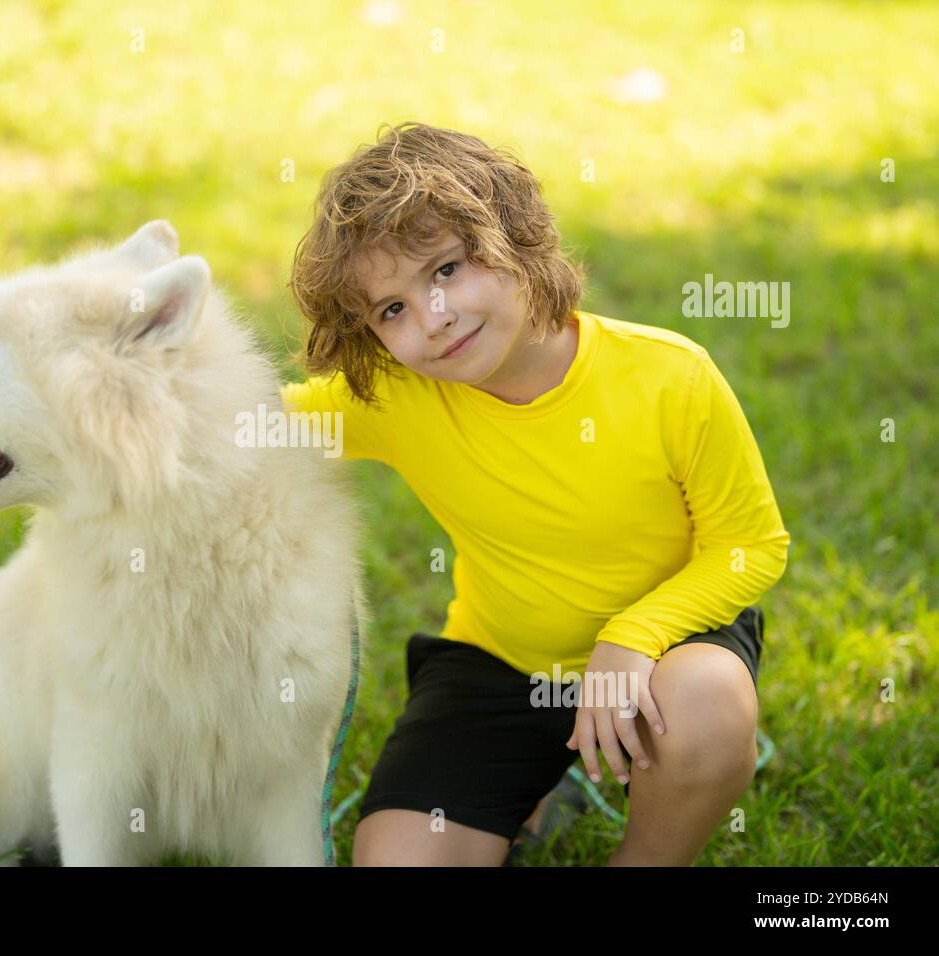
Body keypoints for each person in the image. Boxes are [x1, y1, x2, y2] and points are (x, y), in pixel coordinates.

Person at [280, 122, 790, 866]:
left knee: (707, 704)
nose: (432, 318)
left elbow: (752, 547)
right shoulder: (400, 396)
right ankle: (553, 778)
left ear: (516, 235)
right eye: (391, 310)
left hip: (667, 654)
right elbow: (244, 422)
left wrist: (635, 636)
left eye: (446, 269)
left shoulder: (671, 378)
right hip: (502, 665)